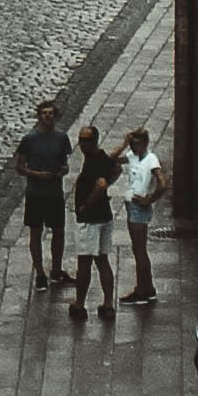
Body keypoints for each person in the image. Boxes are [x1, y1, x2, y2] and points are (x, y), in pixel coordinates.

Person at [16, 97, 71, 286]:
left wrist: (62, 170)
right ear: (39, 116)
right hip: (36, 192)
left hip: (55, 191)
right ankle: (39, 272)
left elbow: (65, 163)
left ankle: (56, 268)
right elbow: (20, 167)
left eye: (51, 114)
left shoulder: (61, 138)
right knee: (36, 232)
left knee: (58, 231)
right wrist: (38, 174)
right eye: (44, 114)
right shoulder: (29, 139)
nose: (48, 117)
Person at [68, 126, 118, 321]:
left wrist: (86, 204)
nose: (82, 144)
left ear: (95, 140)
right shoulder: (101, 157)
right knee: (102, 260)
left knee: (85, 262)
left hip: (91, 219)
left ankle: (80, 303)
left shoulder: (92, 162)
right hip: (104, 215)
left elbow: (102, 184)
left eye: (86, 140)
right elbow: (115, 167)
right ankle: (107, 303)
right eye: (81, 140)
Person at [116, 123, 161, 306]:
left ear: (145, 143)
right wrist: (125, 143)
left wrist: (149, 199)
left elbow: (163, 183)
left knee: (140, 250)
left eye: (137, 143)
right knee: (138, 249)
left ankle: (142, 289)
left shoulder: (151, 159)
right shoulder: (132, 156)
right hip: (131, 205)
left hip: (138, 207)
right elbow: (112, 159)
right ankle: (147, 287)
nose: (135, 147)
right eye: (133, 144)